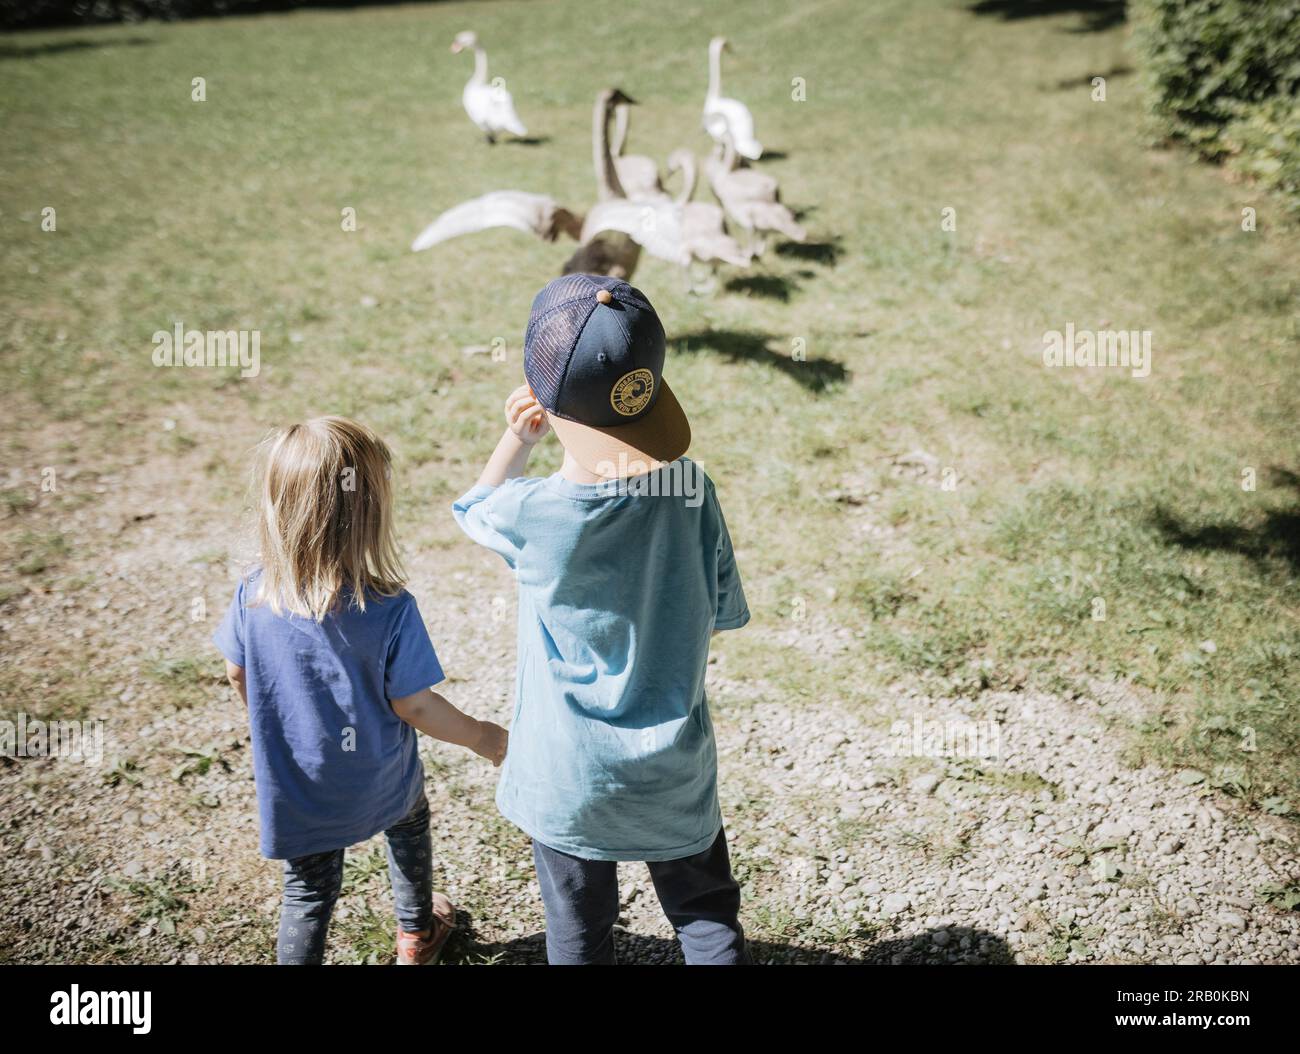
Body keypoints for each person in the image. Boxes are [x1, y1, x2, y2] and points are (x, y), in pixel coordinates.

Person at [454, 274, 751, 964]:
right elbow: (720, 611)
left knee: (579, 937)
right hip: (673, 774)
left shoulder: (532, 515)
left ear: (542, 398)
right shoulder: (691, 489)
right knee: (707, 923)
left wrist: (515, 440)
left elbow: (472, 510)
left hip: (567, 783)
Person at [214, 416, 507, 965]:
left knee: (307, 893)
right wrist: (486, 737)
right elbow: (414, 704)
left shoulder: (252, 595)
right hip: (382, 775)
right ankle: (418, 935)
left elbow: (237, 673)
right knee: (410, 827)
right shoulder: (391, 609)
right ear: (368, 513)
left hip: (299, 785)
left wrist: (277, 726)